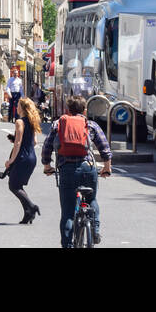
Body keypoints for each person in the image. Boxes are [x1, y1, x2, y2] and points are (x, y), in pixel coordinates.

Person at [41, 96, 112, 248]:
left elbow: (46, 147)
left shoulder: (57, 124)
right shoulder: (90, 125)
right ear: (85, 110)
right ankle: (95, 230)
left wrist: (47, 166)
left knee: (67, 211)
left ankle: (67, 244)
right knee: (92, 198)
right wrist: (107, 167)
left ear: (67, 110)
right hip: (88, 168)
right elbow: (105, 148)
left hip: (66, 169)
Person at [5, 96, 41, 223]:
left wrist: (10, 161)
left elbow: (18, 143)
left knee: (13, 186)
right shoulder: (32, 121)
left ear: (22, 108)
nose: (16, 107)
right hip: (32, 157)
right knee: (18, 185)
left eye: (18, 105)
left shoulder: (20, 122)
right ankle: (28, 214)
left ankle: (32, 207)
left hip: (22, 157)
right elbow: (35, 142)